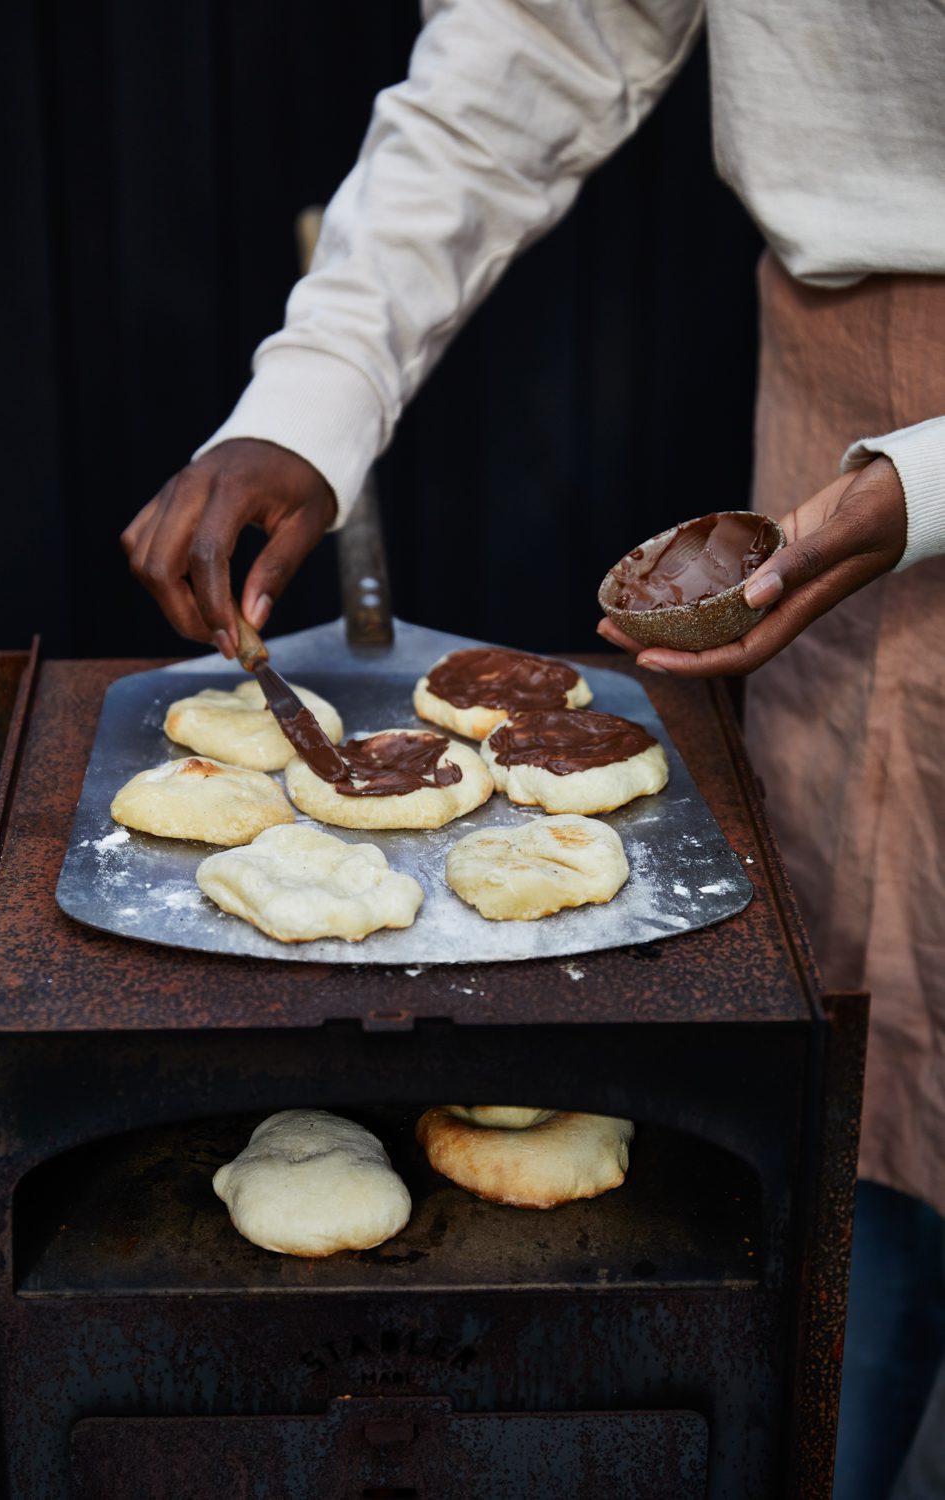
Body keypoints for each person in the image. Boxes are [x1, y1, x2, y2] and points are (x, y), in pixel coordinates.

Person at [121, 5, 945, 1494]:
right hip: (826, 407)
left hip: (904, 479)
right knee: (858, 1074)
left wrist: (932, 479)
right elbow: (536, 35)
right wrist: (318, 392)